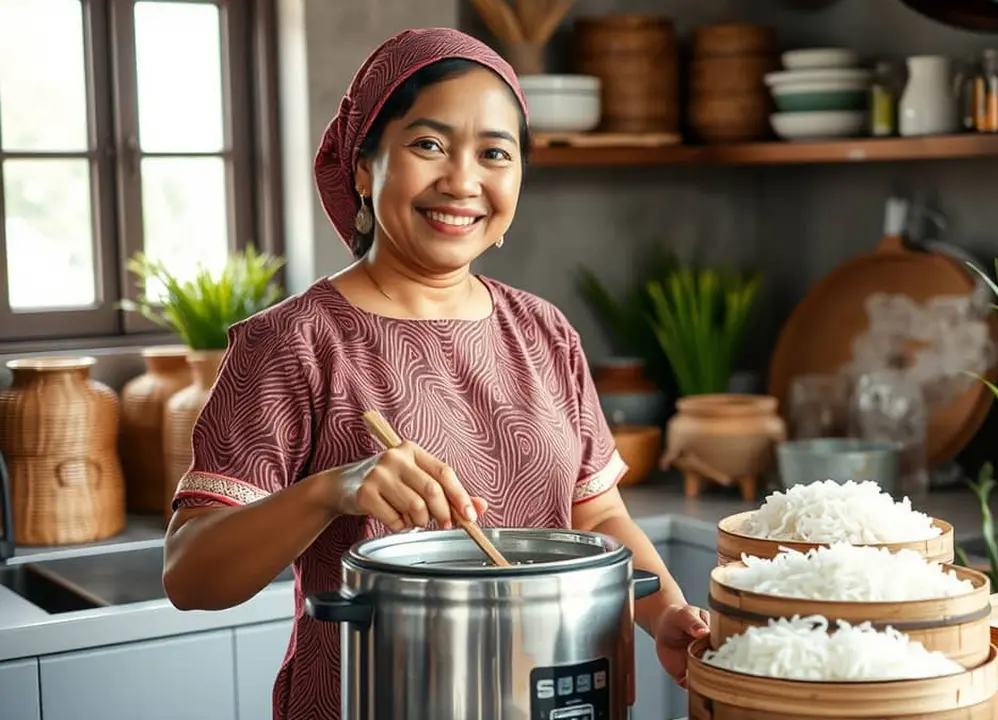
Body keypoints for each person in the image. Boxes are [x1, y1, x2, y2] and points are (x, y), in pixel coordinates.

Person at [160, 27, 709, 720]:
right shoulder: (293, 343)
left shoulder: (544, 331)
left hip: (555, 696)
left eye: (494, 154)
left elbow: (593, 514)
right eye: (428, 144)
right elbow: (189, 574)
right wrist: (334, 490)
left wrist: (665, 615)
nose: (462, 180)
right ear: (363, 166)